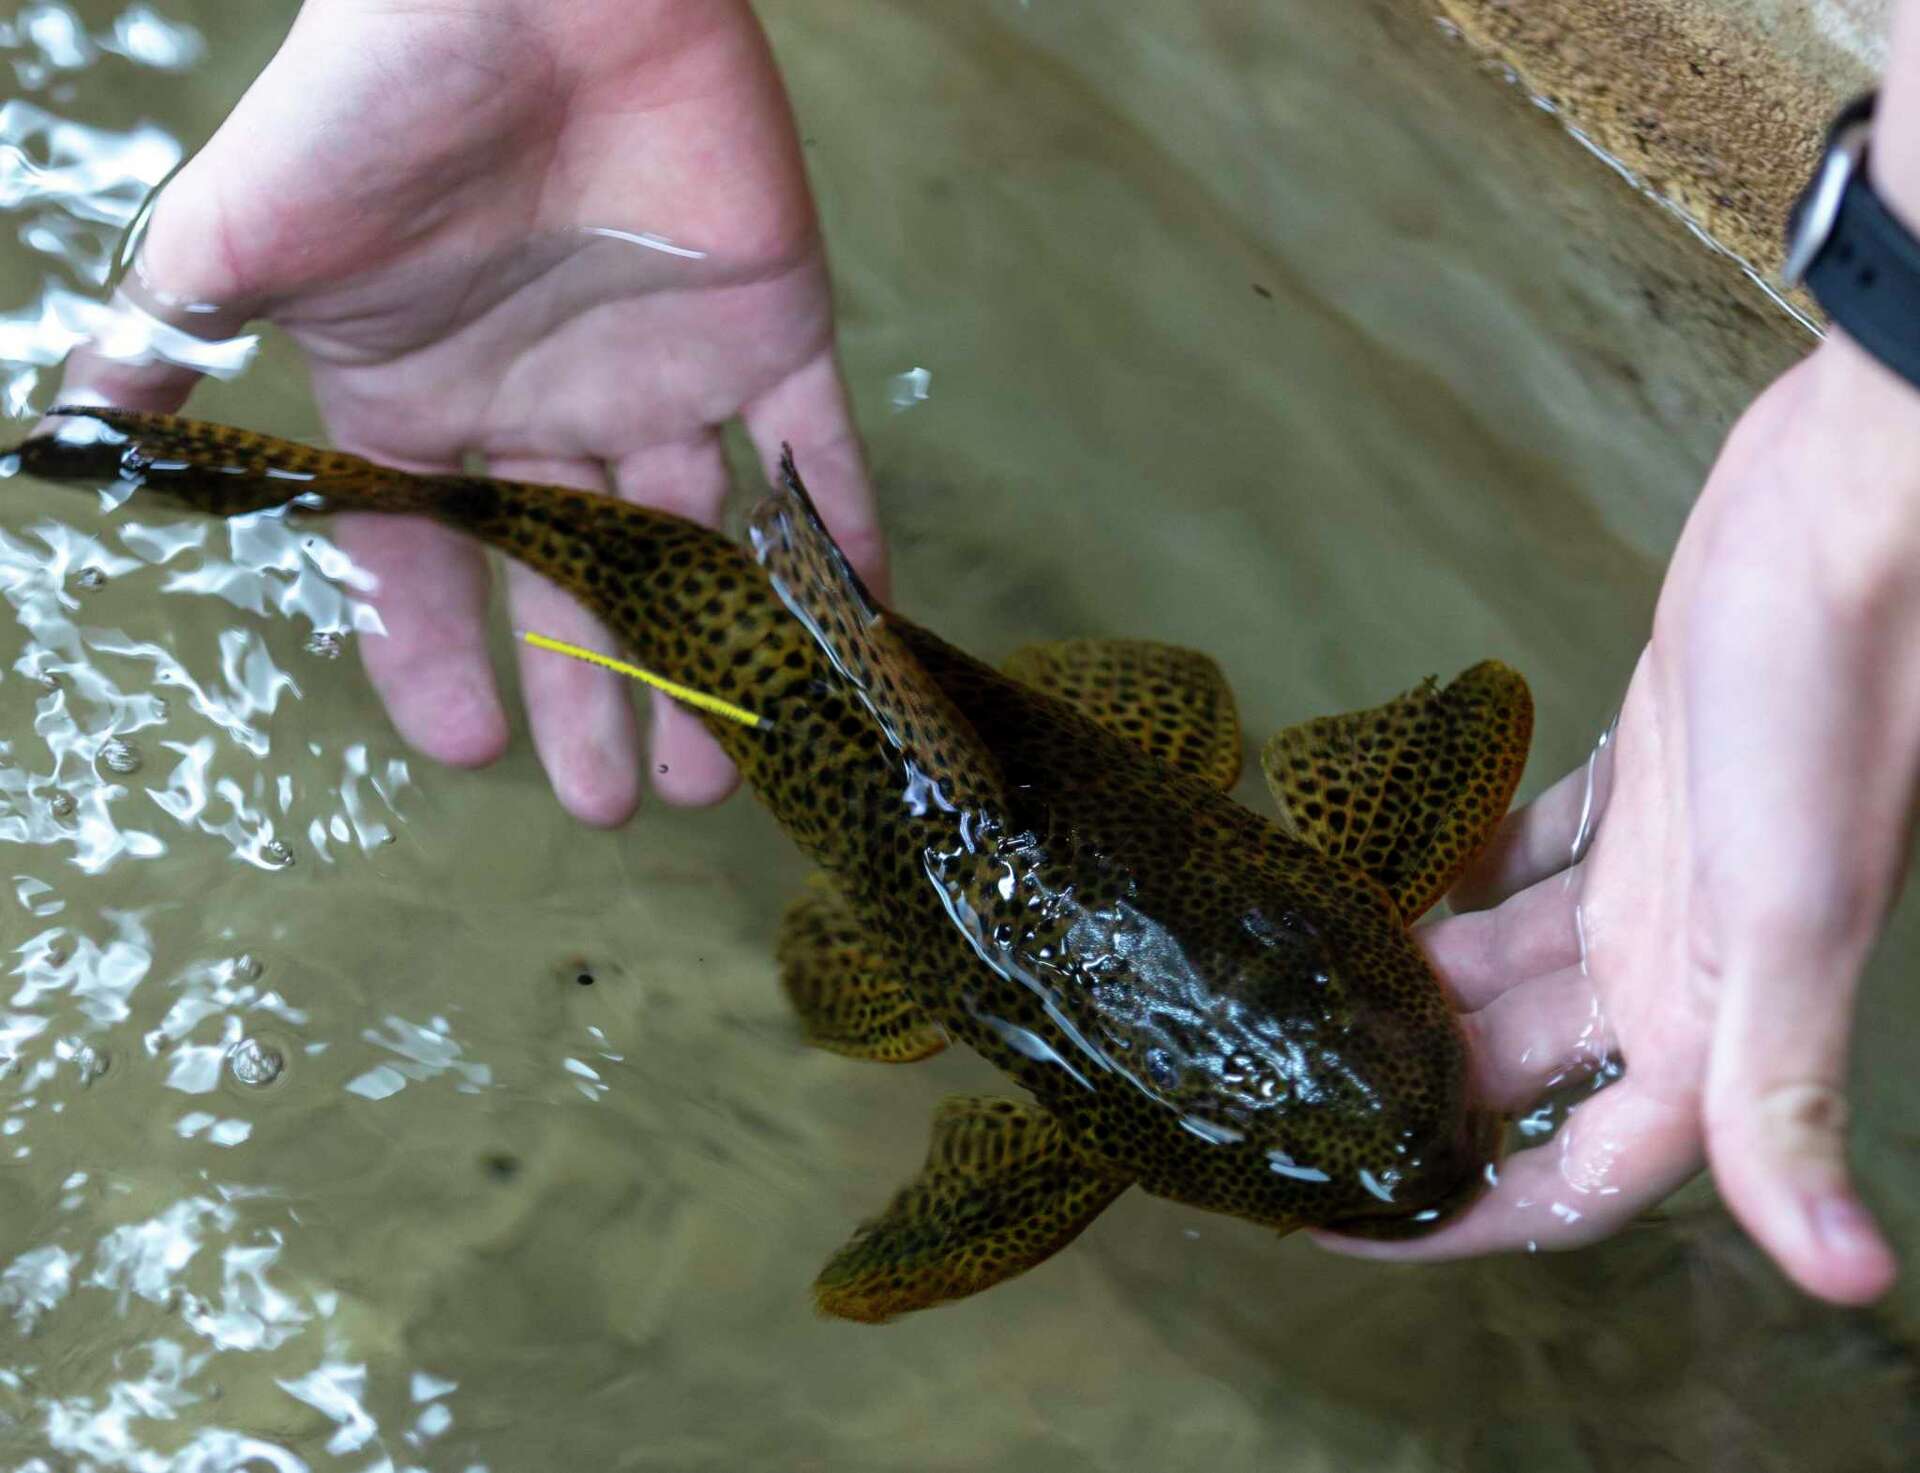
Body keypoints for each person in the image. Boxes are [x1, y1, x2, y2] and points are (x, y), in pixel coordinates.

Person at [57, 0, 1912, 1305]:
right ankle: (265, 472)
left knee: (1144, 716)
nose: (1415, 1122)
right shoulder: (1321, 936)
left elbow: (1467, 721)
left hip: (884, 728)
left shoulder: (1364, 876)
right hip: (881, 733)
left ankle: (229, 467)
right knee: (1104, 748)